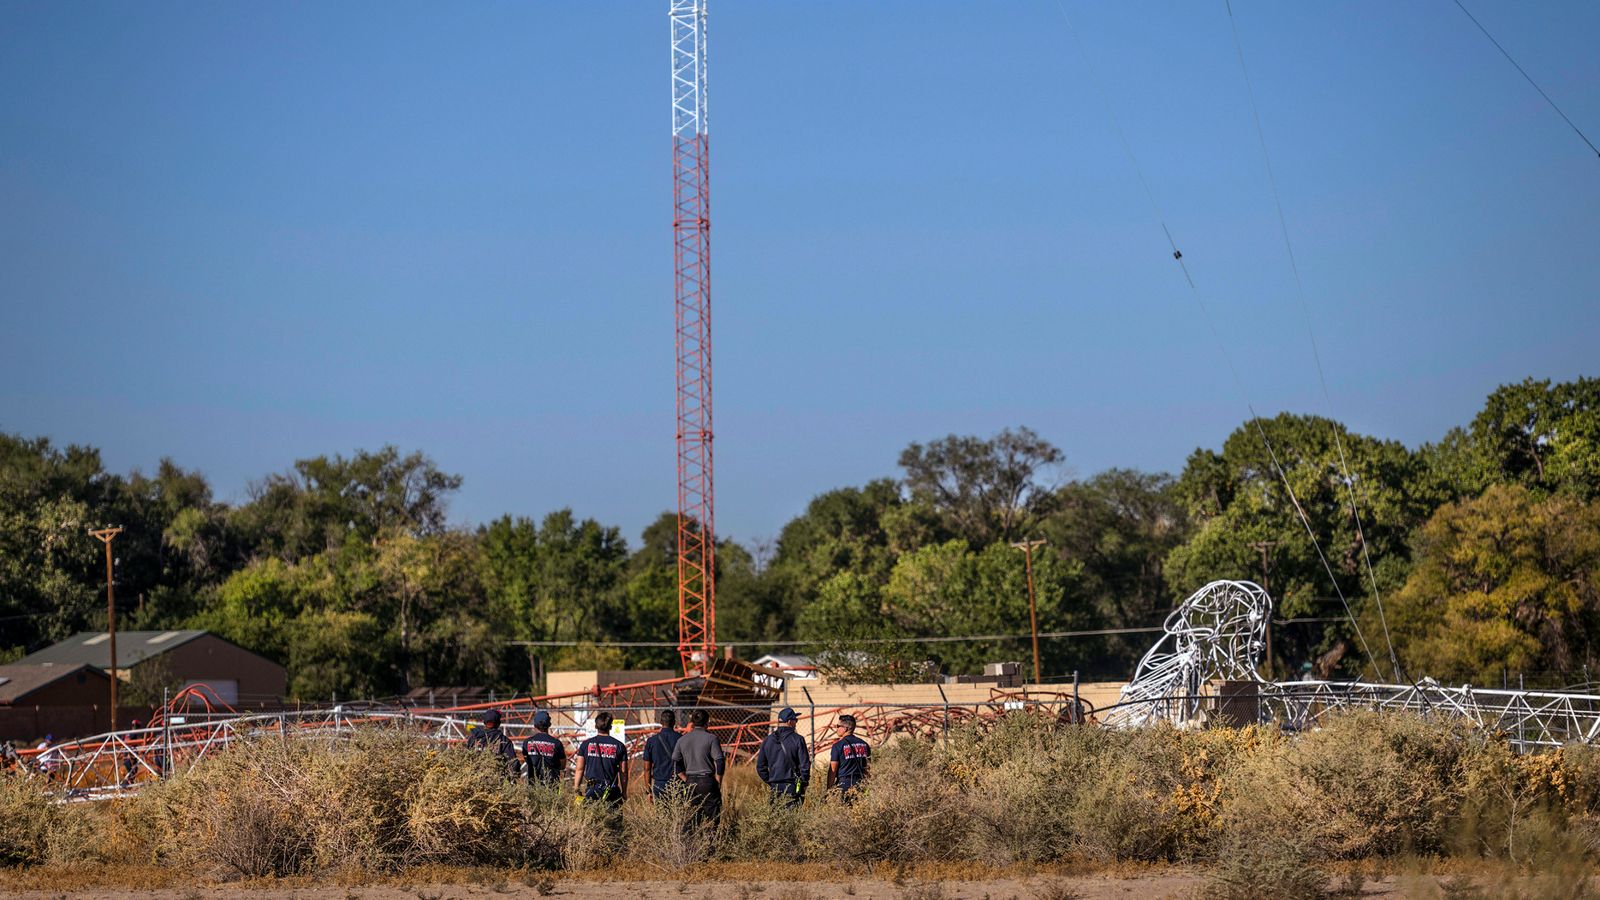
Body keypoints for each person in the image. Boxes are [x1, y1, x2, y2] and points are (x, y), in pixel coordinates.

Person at [573, 711, 629, 835]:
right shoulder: (619, 746)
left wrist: (576, 788)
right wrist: (624, 791)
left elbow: (580, 769)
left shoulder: (586, 745)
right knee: (615, 826)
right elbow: (623, 772)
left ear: (595, 726)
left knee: (593, 826)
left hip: (592, 790)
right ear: (610, 727)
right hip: (612, 791)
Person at [670, 709, 724, 833]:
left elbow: (675, 761)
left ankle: (692, 843)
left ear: (692, 722)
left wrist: (684, 777)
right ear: (707, 722)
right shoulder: (711, 738)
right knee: (713, 817)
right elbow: (720, 761)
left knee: (693, 816)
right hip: (707, 780)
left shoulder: (682, 740)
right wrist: (718, 779)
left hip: (690, 781)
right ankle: (711, 844)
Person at [755, 707, 811, 806]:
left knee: (777, 818)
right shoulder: (798, 739)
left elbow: (760, 767)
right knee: (793, 817)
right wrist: (804, 782)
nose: (796, 723)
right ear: (789, 722)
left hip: (775, 787)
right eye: (795, 720)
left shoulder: (767, 740)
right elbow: (805, 765)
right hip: (793, 786)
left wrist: (771, 781)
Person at [465, 709, 519, 778]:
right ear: (499, 724)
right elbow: (513, 763)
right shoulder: (504, 740)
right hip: (496, 781)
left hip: (474, 780)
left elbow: (466, 759)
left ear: (484, 722)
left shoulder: (473, 738)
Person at [641, 709, 681, 802]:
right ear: (674, 722)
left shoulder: (651, 741)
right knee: (678, 814)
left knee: (661, 814)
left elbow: (647, 768)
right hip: (678, 782)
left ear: (660, 722)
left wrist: (648, 791)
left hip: (659, 783)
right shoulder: (681, 739)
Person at [828, 714, 871, 800]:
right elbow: (868, 769)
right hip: (860, 784)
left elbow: (832, 771)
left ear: (845, 729)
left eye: (838, 726)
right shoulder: (864, 744)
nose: (836, 728)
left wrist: (829, 790)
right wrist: (867, 786)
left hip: (844, 785)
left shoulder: (838, 746)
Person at [522, 711, 566, 785]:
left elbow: (527, 760)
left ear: (535, 725)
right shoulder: (557, 743)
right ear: (549, 725)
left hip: (533, 784)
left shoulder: (527, 742)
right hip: (552, 785)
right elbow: (562, 766)